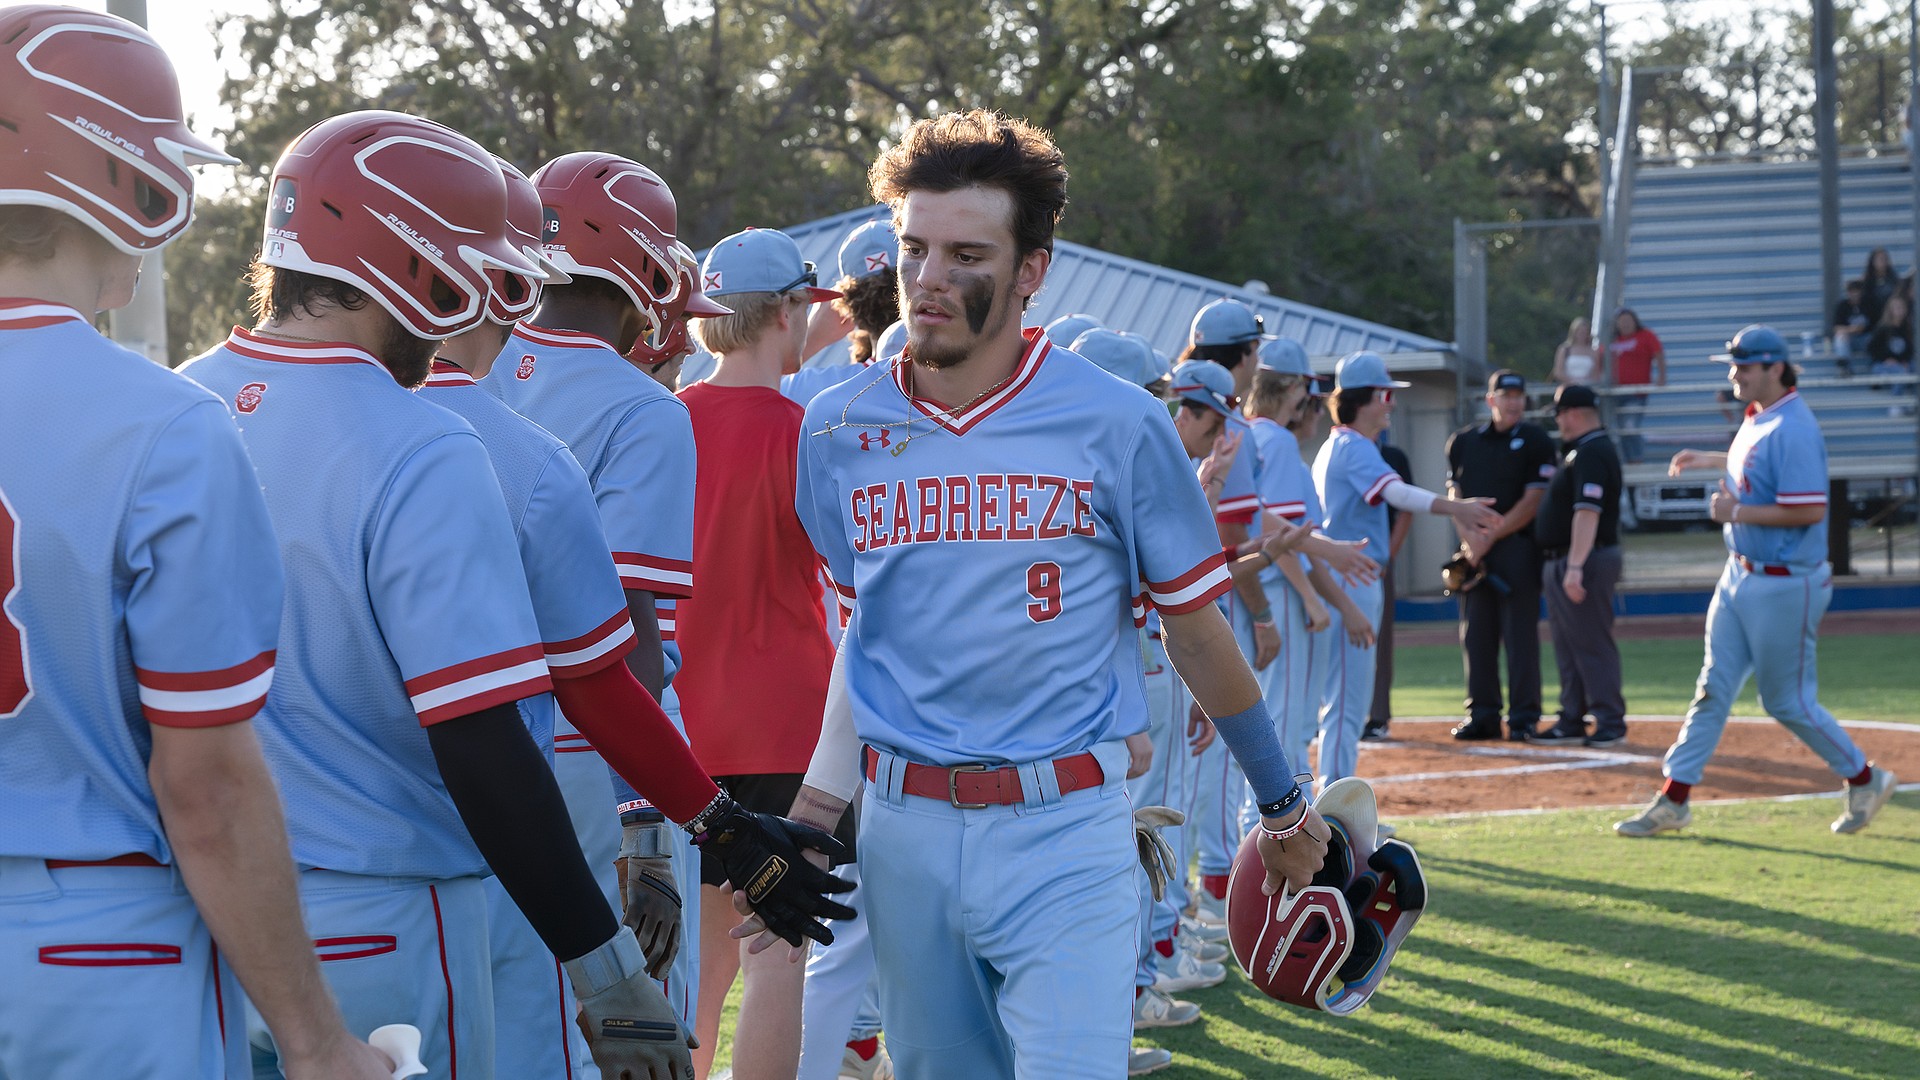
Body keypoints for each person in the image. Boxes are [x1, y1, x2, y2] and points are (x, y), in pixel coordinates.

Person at [760, 109, 1330, 1080]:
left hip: (1064, 828)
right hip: (903, 832)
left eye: (966, 253)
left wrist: (1281, 803)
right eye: (915, 248)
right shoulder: (837, 427)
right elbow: (868, 638)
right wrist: (815, 818)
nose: (929, 277)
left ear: (1032, 270)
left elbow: (1194, 633)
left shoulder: (1116, 422)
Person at [181, 111, 705, 1079]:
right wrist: (605, 968)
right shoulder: (420, 441)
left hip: (195, 910)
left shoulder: (178, 401)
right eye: (484, 270)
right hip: (387, 913)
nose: (496, 310)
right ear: (414, 262)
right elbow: (479, 737)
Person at [0, 9, 390, 1077]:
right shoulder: (162, 421)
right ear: (109, 174)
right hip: (89, 941)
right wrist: (316, 1040)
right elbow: (207, 787)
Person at [431, 165, 813, 1080]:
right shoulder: (642, 406)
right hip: (579, 770)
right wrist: (649, 825)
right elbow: (630, 662)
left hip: (454, 762)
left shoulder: (445, 372)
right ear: (640, 261)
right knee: (614, 1034)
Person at [676, 228, 850, 1080]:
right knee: (777, 960)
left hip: (680, 730)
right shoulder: (805, 431)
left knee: (696, 970)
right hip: (789, 727)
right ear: (784, 313)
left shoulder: (664, 423)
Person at [1616, 325, 1897, 838]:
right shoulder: (1761, 416)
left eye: (1743, 367)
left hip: (1786, 582)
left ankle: (1865, 778)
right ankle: (1674, 798)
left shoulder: (1795, 428)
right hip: (1741, 573)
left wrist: (1737, 509)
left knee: (1786, 701)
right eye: (1734, 365)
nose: (1734, 375)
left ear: (1774, 368)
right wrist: (1712, 461)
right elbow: (1759, 467)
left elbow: (1809, 508)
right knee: (1712, 687)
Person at [1313, 352, 1500, 788]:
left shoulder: (1347, 444)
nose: (1391, 404)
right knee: (1345, 702)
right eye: (1386, 395)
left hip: (1350, 574)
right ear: (1368, 397)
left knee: (1344, 700)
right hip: (1350, 577)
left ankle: (1334, 799)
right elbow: (1396, 493)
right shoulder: (1352, 445)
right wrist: (1455, 506)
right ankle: (1334, 805)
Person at [1444, 371, 1556, 742]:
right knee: (1476, 635)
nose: (1514, 403)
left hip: (1517, 548)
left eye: (1519, 396)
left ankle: (1524, 716)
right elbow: (1454, 494)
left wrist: (1490, 536)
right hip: (1474, 549)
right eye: (1506, 396)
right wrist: (1471, 543)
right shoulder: (1462, 442)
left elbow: (1534, 499)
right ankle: (1483, 714)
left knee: (1520, 636)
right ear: (1490, 400)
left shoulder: (1536, 440)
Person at [1530, 384, 1627, 748]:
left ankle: (1609, 719)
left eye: (1559, 413)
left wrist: (1574, 567)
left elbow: (1588, 512)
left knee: (1590, 642)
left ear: (1571, 412)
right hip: (1569, 559)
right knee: (1569, 645)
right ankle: (1572, 716)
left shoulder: (1592, 451)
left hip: (1585, 558)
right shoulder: (1580, 451)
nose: (1557, 422)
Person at [1365, 438, 1415, 740]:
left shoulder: (1392, 454)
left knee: (1379, 641)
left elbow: (1405, 510)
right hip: (1338, 564)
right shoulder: (1337, 451)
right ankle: (1339, 713)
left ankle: (1377, 717)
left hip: (1376, 562)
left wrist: (1388, 555)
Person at [1606, 308, 1664, 463]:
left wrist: (1661, 377)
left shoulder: (1646, 336)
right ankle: (1629, 461)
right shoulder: (1613, 340)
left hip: (1636, 391)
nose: (1625, 324)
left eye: (1628, 320)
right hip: (1616, 393)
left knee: (1630, 427)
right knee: (1621, 431)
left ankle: (1637, 459)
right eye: (1621, 321)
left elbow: (1658, 354)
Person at [1831, 278, 1870, 371]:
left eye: (1857, 291)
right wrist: (1852, 330)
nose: (1854, 294)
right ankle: (1845, 367)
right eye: (1852, 291)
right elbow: (1836, 327)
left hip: (1866, 339)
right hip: (1850, 339)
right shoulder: (1842, 305)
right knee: (1840, 337)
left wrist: (1860, 329)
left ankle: (1875, 366)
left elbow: (1875, 326)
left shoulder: (1869, 304)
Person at [1552, 316, 1599, 385]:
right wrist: (1573, 381)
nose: (1581, 334)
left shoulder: (1593, 351)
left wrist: (1586, 381)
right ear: (1573, 332)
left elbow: (1596, 374)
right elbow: (1558, 372)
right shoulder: (1564, 349)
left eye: (1584, 332)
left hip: (1587, 387)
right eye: (1579, 331)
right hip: (1568, 387)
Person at [1860, 247, 1899, 326]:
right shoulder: (1868, 281)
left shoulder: (1893, 278)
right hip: (1874, 318)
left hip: (1891, 316)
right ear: (1873, 261)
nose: (1883, 262)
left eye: (1884, 259)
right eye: (1880, 259)